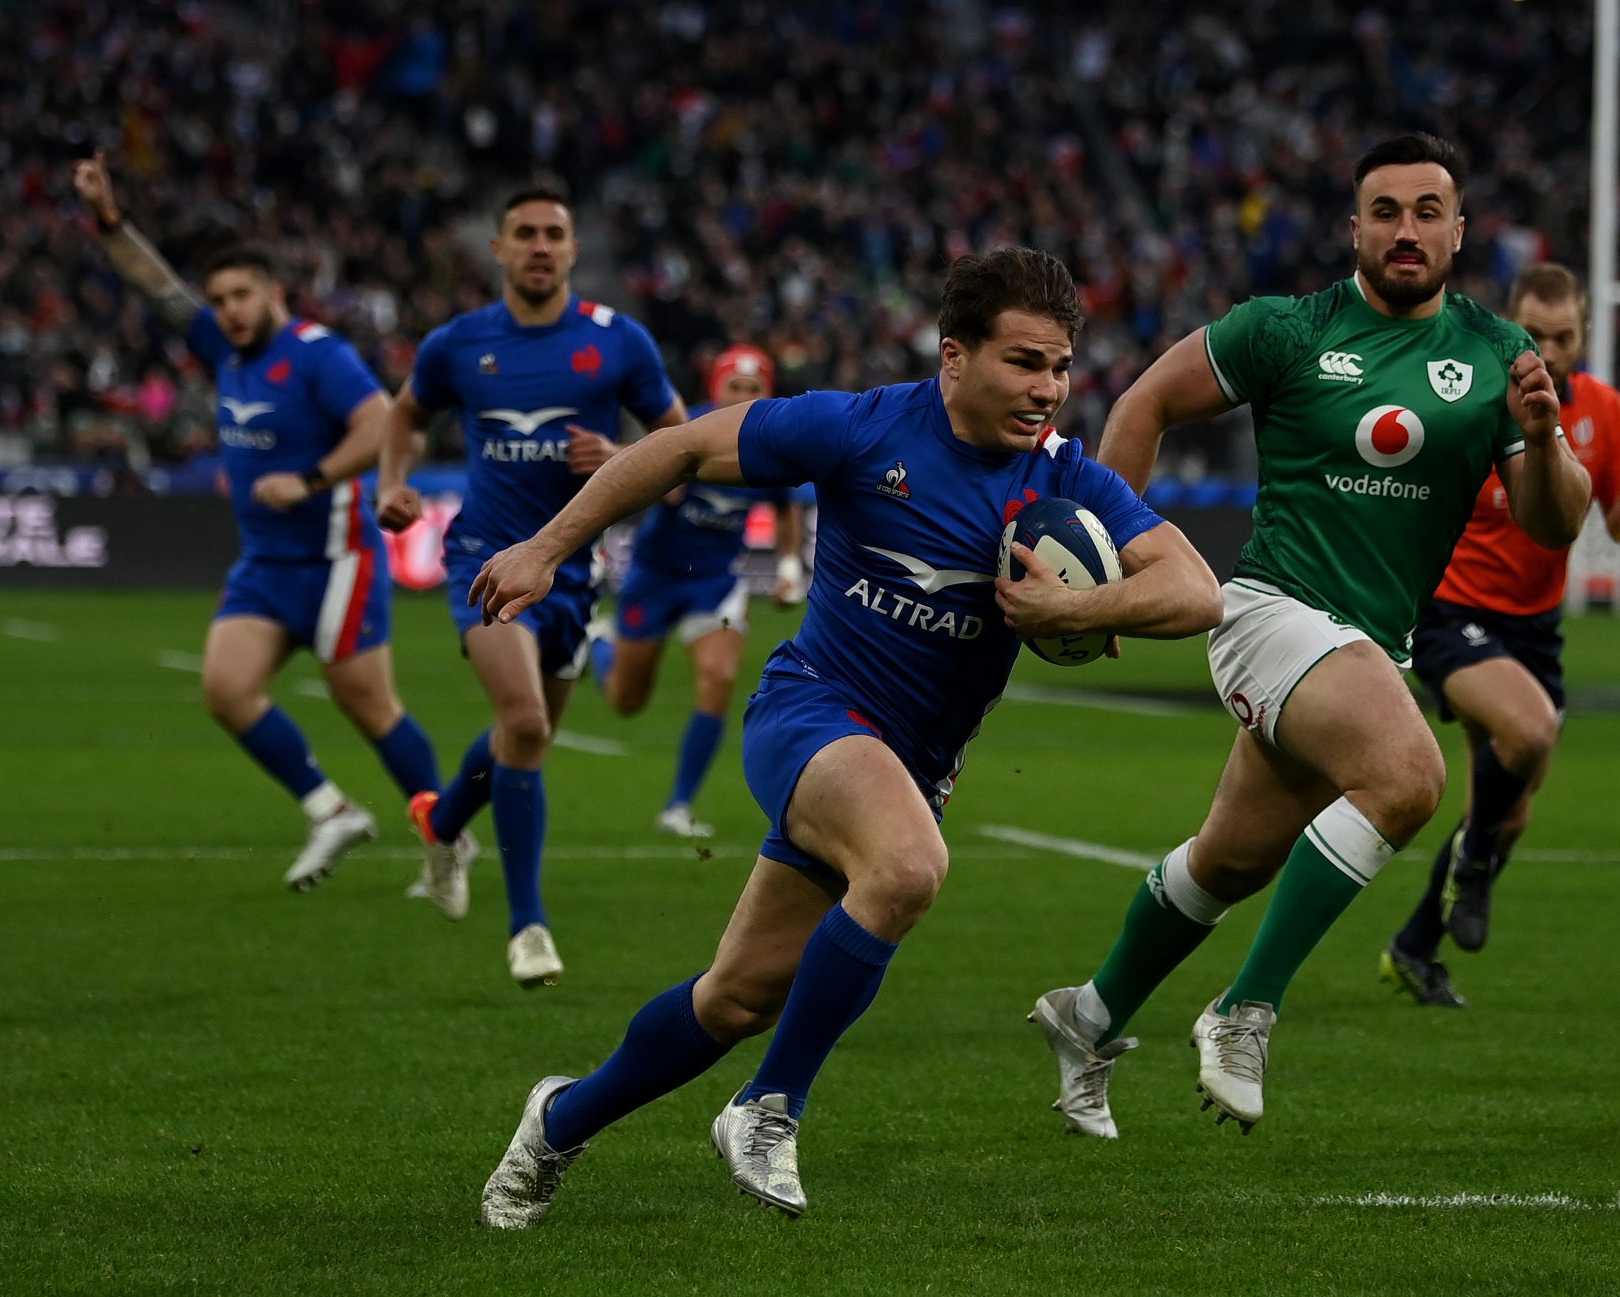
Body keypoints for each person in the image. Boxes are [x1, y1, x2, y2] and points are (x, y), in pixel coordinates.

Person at [467, 248, 1221, 1225]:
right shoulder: (860, 428)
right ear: (954, 356)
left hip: (907, 766)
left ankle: (556, 1123)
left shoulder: (1064, 480)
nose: (1048, 390)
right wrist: (544, 547)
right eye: (1023, 362)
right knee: (908, 869)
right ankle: (769, 1108)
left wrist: (1083, 605)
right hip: (809, 712)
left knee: (734, 1001)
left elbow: (1195, 587)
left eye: (1061, 367)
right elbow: (681, 449)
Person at [1029, 132, 1591, 1140]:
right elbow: (1144, 400)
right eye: (1385, 211)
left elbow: (1554, 520)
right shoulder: (1283, 330)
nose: (1405, 230)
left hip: (1368, 645)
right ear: (1354, 229)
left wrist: (1544, 438)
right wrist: (1114, 573)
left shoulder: (1497, 355)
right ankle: (1244, 1011)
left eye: (1426, 212)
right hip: (1269, 612)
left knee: (1226, 865)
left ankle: (1088, 1015)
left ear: (1459, 234)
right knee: (1410, 776)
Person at [70, 153, 442, 891]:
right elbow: (155, 284)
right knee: (225, 688)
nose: (230, 308)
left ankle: (445, 835)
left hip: (336, 556)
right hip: (266, 563)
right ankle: (330, 808)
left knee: (367, 704)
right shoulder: (221, 345)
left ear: (274, 292)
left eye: (242, 294)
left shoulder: (317, 354)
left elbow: (382, 424)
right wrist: (108, 218)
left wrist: (309, 479)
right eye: (221, 297)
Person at [377, 186, 687, 985]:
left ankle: (442, 824)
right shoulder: (458, 344)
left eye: (555, 232)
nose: (541, 245)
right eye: (525, 233)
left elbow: (681, 455)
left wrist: (621, 457)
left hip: (573, 572)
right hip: (482, 557)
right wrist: (393, 483)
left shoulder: (619, 344)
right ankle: (528, 927)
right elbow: (405, 416)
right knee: (522, 721)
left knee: (528, 734)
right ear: (499, 249)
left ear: (575, 249)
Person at [1381, 262, 1620, 1006]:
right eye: (1535, 333)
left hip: (1536, 630)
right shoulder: (1467, 397)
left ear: (1584, 335)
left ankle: (1412, 947)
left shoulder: (1604, 410)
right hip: (1450, 611)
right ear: (1511, 327)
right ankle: (1466, 868)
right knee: (1529, 732)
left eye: (1565, 336)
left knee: (1510, 815)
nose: (1551, 349)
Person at [586, 344, 808, 838]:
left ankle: (679, 806)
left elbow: (786, 506)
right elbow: (637, 474)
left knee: (719, 676)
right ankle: (598, 645)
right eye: (736, 386)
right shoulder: (689, 430)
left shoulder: (776, 441)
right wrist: (655, 478)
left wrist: (790, 567)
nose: (745, 396)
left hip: (716, 581)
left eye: (755, 389)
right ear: (716, 389)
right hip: (657, 575)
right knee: (626, 698)